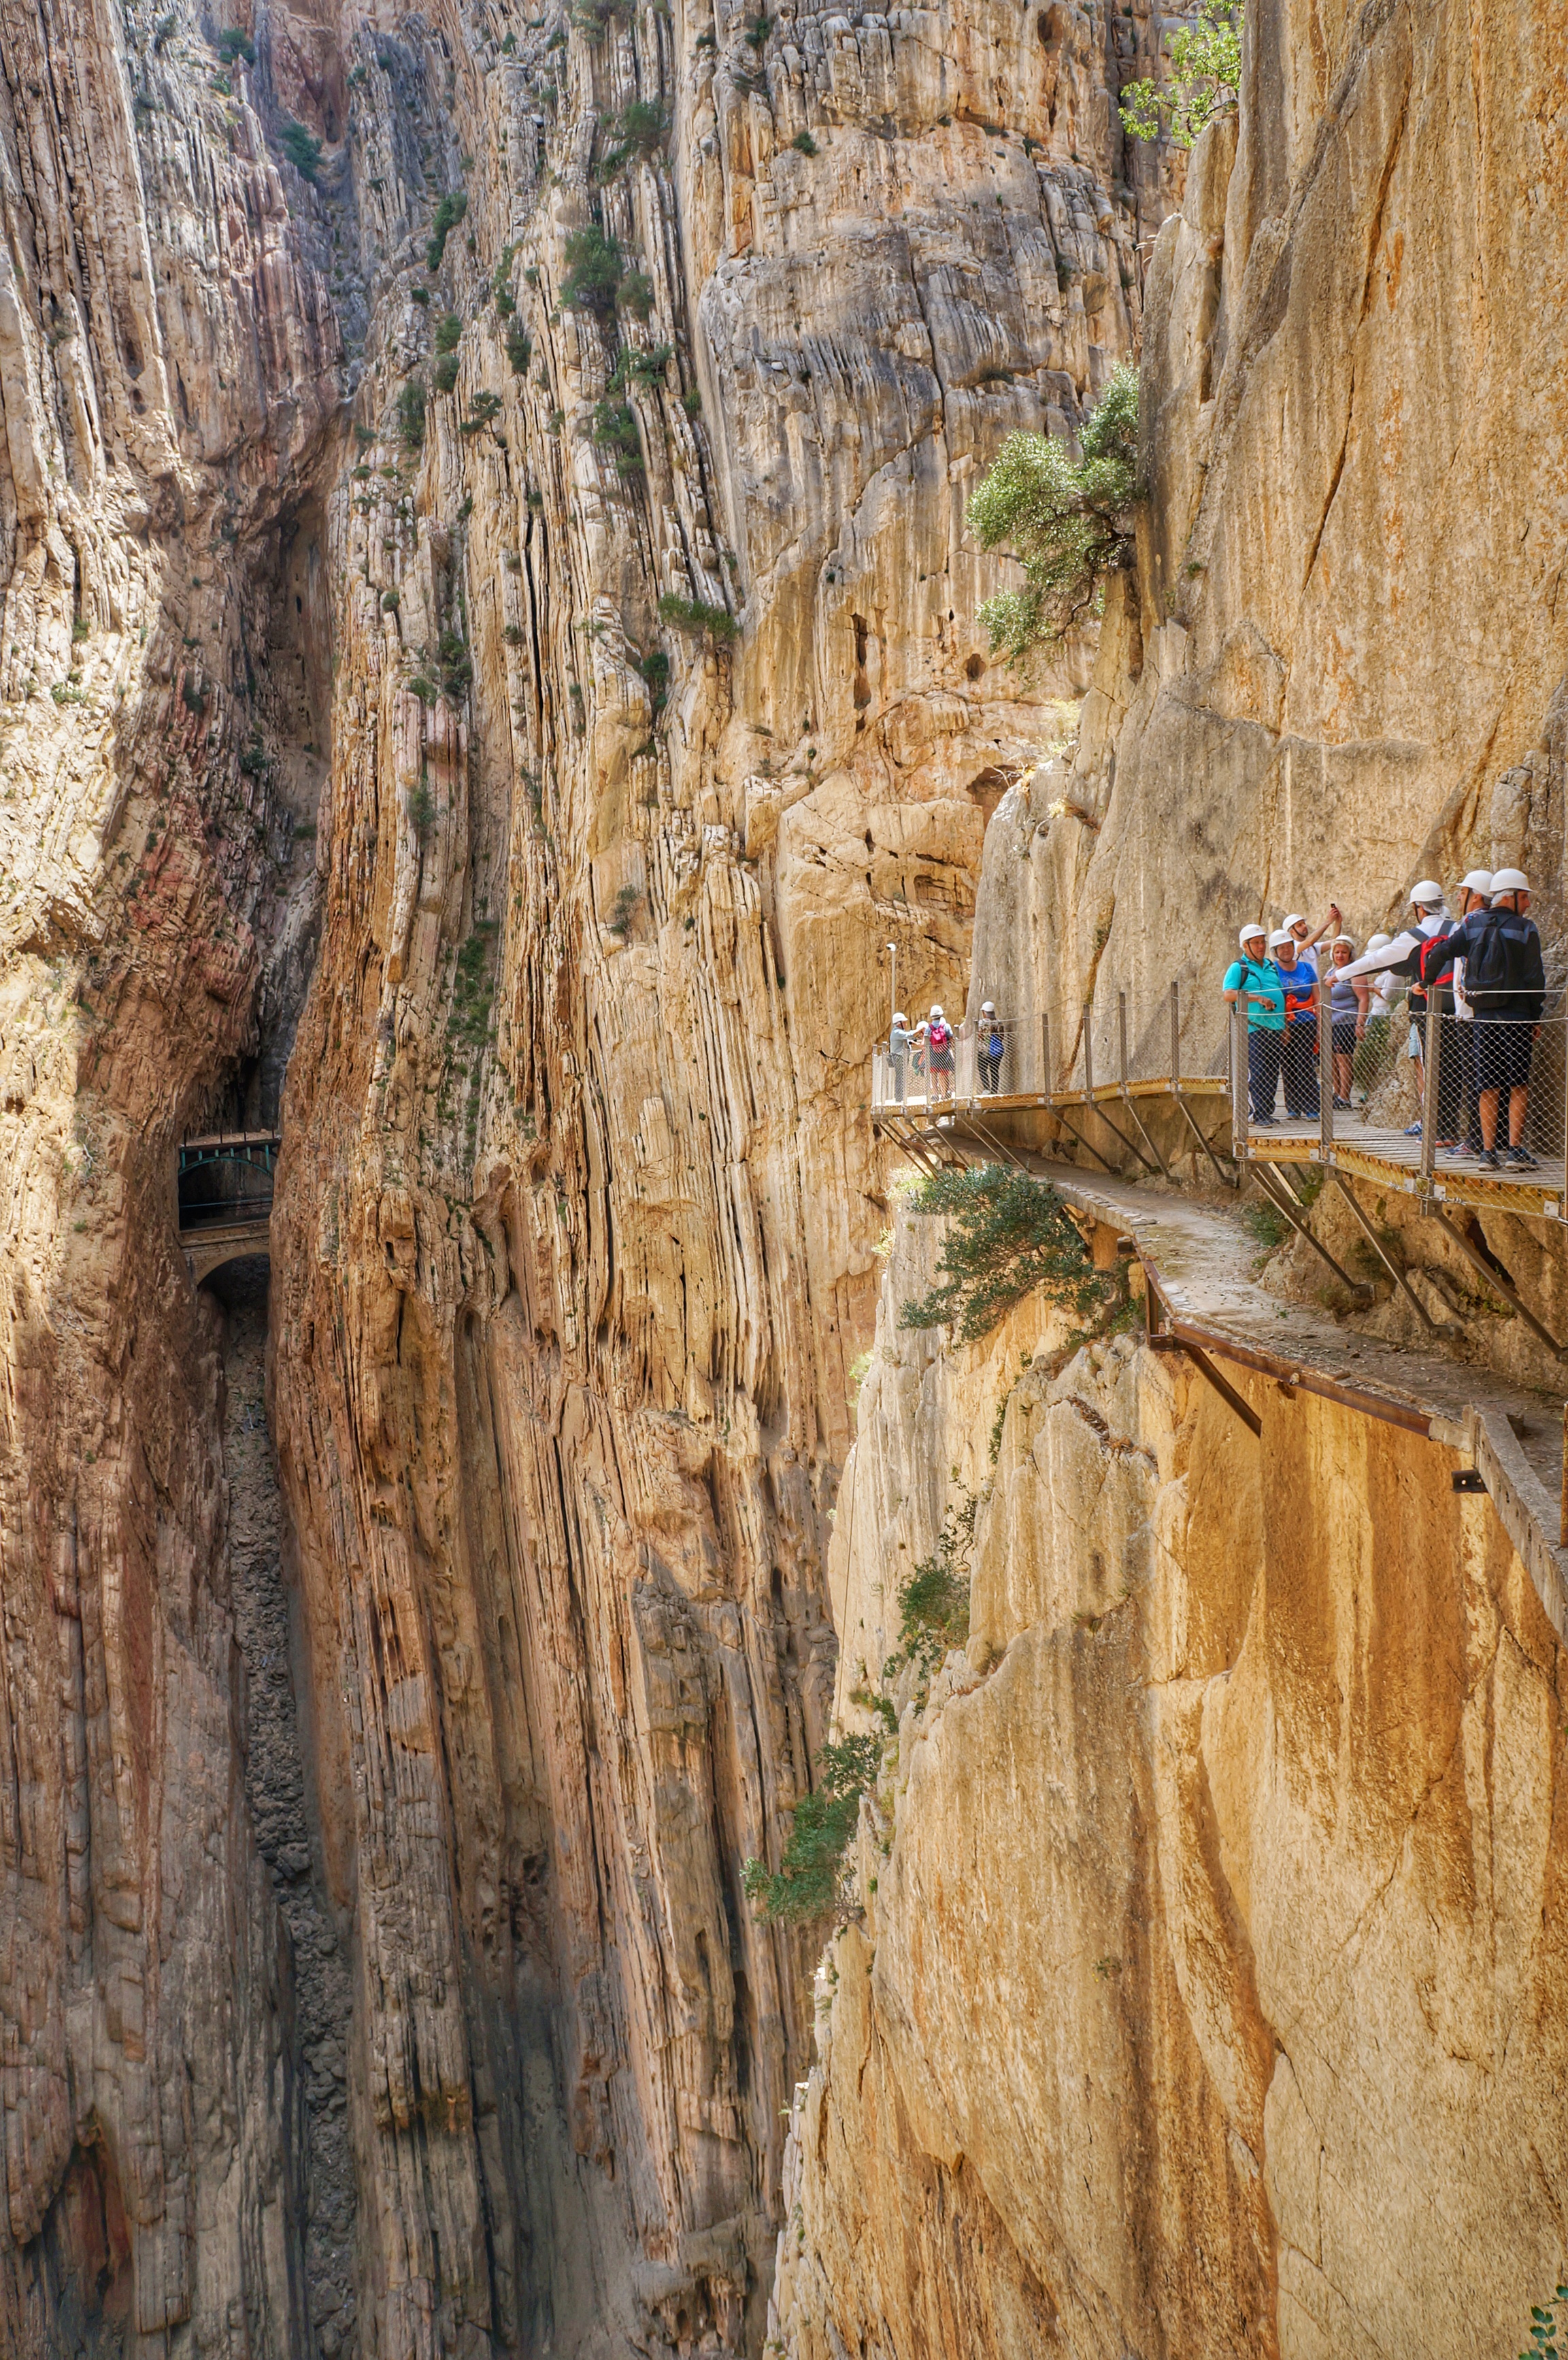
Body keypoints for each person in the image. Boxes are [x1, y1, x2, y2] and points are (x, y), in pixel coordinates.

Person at [1439, 869, 1545, 1167]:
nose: (1527, 904)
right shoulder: (1526, 928)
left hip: (1482, 1017)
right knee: (1518, 1084)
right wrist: (1535, 1017)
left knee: (1488, 1085)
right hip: (1517, 1017)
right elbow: (1535, 978)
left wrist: (1425, 981)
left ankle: (1487, 1153)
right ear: (1510, 897)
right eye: (1524, 897)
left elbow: (1443, 951)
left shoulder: (1472, 925)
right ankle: (1514, 1149)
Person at [1339, 882, 1452, 1135]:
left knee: (1425, 1066)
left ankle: (1432, 1125)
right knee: (1451, 1067)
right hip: (1457, 1007)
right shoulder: (1458, 929)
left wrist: (1340, 974)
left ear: (1419, 908)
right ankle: (1447, 1129)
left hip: (1425, 1007)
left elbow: (1378, 959)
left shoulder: (1416, 937)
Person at [1441, 871, 1492, 1161]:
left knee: (1475, 1080)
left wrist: (1425, 981)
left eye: (1463, 892)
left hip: (1469, 1013)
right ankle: (1485, 1141)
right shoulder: (1491, 924)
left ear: (1476, 895)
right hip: (1485, 1011)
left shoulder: (1470, 924)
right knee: (1486, 1080)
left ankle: (1475, 1141)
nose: (1459, 897)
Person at [1222, 925, 1286, 1125]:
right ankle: (1256, 1114)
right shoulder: (1239, 968)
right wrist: (1257, 998)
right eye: (1256, 943)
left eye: (1262, 942)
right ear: (1246, 945)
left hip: (1275, 1027)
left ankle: (1266, 1112)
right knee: (1257, 1072)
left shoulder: (1270, 965)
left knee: (1272, 1072)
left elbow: (1280, 993)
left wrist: (1285, 1026)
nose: (1261, 946)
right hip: (1253, 1028)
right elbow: (1228, 994)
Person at [1270, 927, 1320, 1118]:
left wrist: (1320, 1025)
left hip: (1306, 1020)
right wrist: (1284, 1026)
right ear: (1275, 951)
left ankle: (1312, 1106)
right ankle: (1293, 1107)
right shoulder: (1274, 970)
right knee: (1288, 1063)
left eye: (1288, 946)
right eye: (1281, 948)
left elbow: (1317, 996)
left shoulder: (1306, 968)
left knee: (1305, 1062)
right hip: (1285, 1022)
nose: (1286, 950)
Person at [1326, 936, 1368, 1108]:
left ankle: (1345, 1097)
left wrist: (1360, 1023)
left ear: (1350, 954)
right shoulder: (1330, 972)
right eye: (1337, 952)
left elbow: (1364, 999)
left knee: (1344, 1059)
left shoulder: (1355, 972)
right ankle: (1337, 1093)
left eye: (1344, 952)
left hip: (1347, 1021)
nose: (1340, 955)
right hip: (1331, 1022)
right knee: (1333, 1060)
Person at [1281, 905, 1342, 977]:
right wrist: (1328, 922)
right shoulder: (1292, 947)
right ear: (1292, 932)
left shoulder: (1313, 947)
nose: (1304, 926)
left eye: (1304, 923)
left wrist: (1338, 922)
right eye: (1300, 925)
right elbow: (1309, 942)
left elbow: (1334, 942)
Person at [927, 1003, 955, 1103]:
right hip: (944, 1053)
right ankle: (945, 1093)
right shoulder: (946, 1026)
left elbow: (926, 1041)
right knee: (944, 1073)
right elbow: (951, 1038)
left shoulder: (929, 1028)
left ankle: (935, 1095)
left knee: (934, 1074)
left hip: (933, 1054)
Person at [978, 1001, 1005, 1093]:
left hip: (984, 1050)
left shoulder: (981, 1023)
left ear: (984, 1013)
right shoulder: (999, 1023)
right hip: (996, 1052)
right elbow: (1002, 1036)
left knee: (982, 1069)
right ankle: (994, 1091)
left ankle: (987, 1089)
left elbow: (980, 1036)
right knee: (994, 1071)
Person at [888, 1010, 913, 1106]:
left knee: (901, 1077)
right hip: (898, 1057)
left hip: (899, 1057)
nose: (906, 1024)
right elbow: (909, 1035)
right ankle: (899, 1098)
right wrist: (919, 1030)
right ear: (900, 1023)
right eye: (904, 1022)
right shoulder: (897, 1032)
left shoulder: (898, 1032)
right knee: (900, 1077)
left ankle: (901, 1097)